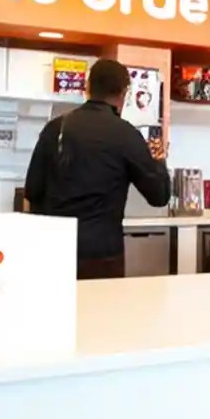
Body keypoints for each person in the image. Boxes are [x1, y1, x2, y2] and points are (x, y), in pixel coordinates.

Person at [24, 59, 170, 280]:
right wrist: (159, 160)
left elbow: (32, 192)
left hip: (54, 250)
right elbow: (159, 196)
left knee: (57, 314)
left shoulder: (55, 128)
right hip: (102, 255)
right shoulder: (127, 135)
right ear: (124, 93)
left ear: (87, 88)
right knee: (102, 314)